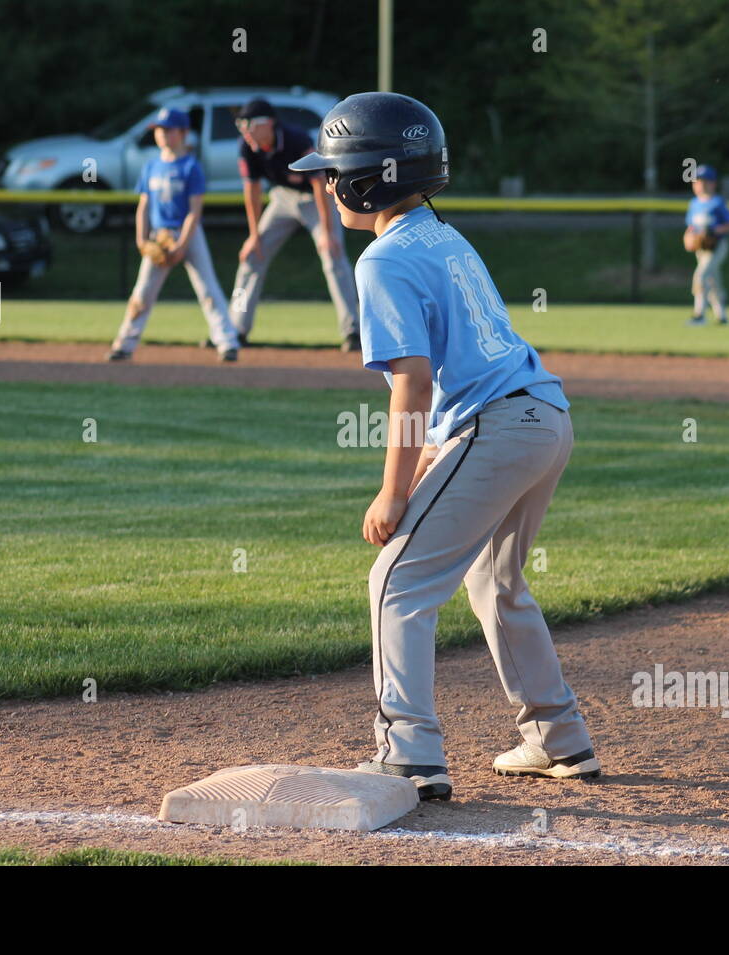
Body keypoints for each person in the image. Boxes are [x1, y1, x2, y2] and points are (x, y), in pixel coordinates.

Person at [290, 93, 599, 802]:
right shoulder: (443, 235)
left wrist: (394, 489)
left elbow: (414, 383)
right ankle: (558, 737)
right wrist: (444, 446)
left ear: (372, 181)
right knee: (496, 582)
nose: (329, 186)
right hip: (544, 415)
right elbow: (471, 355)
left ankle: (410, 754)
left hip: (498, 425)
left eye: (337, 173)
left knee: (397, 583)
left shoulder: (380, 259)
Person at [228, 98, 361, 352]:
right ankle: (235, 329)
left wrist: (329, 233)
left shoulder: (296, 139)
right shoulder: (247, 147)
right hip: (282, 198)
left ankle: (352, 330)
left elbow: (318, 183)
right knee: (251, 258)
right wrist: (254, 235)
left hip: (317, 199)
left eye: (249, 125)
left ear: (268, 123)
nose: (245, 132)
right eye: (241, 126)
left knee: (333, 256)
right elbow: (252, 190)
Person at [108, 106, 239, 362]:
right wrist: (141, 238)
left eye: (168, 130)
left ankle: (227, 342)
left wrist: (182, 245)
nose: (162, 134)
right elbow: (144, 206)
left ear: (183, 133)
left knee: (208, 289)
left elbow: (194, 212)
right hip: (158, 234)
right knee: (142, 293)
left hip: (189, 234)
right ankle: (125, 344)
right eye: (159, 130)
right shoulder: (151, 166)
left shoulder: (191, 167)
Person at [683, 164, 729, 326]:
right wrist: (687, 240)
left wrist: (715, 231)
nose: (700, 184)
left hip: (717, 247)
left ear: (713, 183)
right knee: (713, 281)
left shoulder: (717, 202)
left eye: (705, 181)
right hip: (701, 249)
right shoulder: (693, 204)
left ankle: (699, 315)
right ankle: (722, 317)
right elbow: (690, 228)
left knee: (701, 276)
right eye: (697, 181)